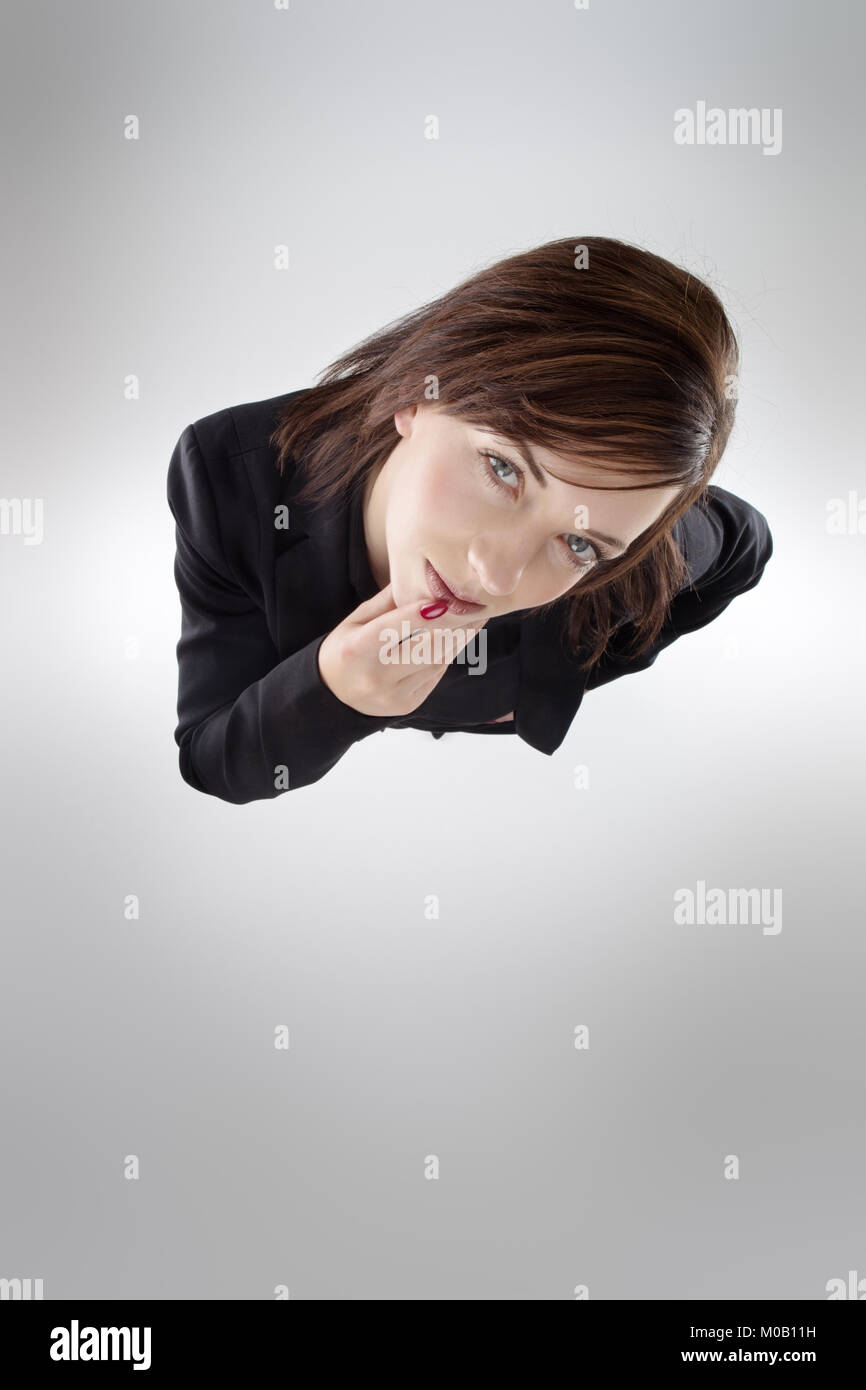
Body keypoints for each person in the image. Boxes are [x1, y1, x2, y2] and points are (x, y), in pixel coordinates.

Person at [167, 236, 773, 804]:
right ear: (416, 391)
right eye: (503, 469)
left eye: (579, 542)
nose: (498, 576)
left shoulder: (654, 545)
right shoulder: (226, 479)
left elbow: (746, 548)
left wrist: (558, 680)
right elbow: (211, 758)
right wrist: (329, 693)